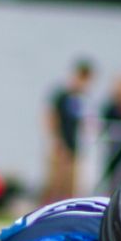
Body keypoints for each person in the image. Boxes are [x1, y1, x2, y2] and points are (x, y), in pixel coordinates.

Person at [43, 58, 94, 203]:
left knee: (71, 185)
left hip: (75, 147)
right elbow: (50, 116)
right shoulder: (63, 96)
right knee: (56, 182)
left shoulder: (82, 98)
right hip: (61, 145)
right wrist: (57, 140)